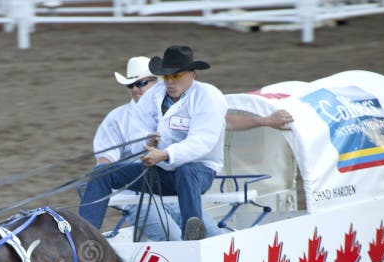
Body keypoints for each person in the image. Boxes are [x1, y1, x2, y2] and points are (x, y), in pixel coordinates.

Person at [91, 54, 293, 240]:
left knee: (197, 205)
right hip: (143, 189)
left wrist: (265, 120)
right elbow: (105, 159)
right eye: (131, 85)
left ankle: (197, 239)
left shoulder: (194, 98)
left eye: (142, 83)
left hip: (182, 178)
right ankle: (85, 234)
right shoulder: (118, 118)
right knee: (169, 237)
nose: (136, 89)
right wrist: (145, 145)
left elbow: (215, 129)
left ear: (155, 81)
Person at [81, 45, 226, 241]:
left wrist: (165, 154)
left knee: (186, 170)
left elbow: (202, 141)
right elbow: (138, 132)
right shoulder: (154, 95)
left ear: (192, 75)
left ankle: (193, 232)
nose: (170, 82)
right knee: (102, 173)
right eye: (167, 76)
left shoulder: (208, 96)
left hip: (200, 171)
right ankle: (84, 235)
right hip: (162, 173)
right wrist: (146, 142)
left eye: (176, 76)